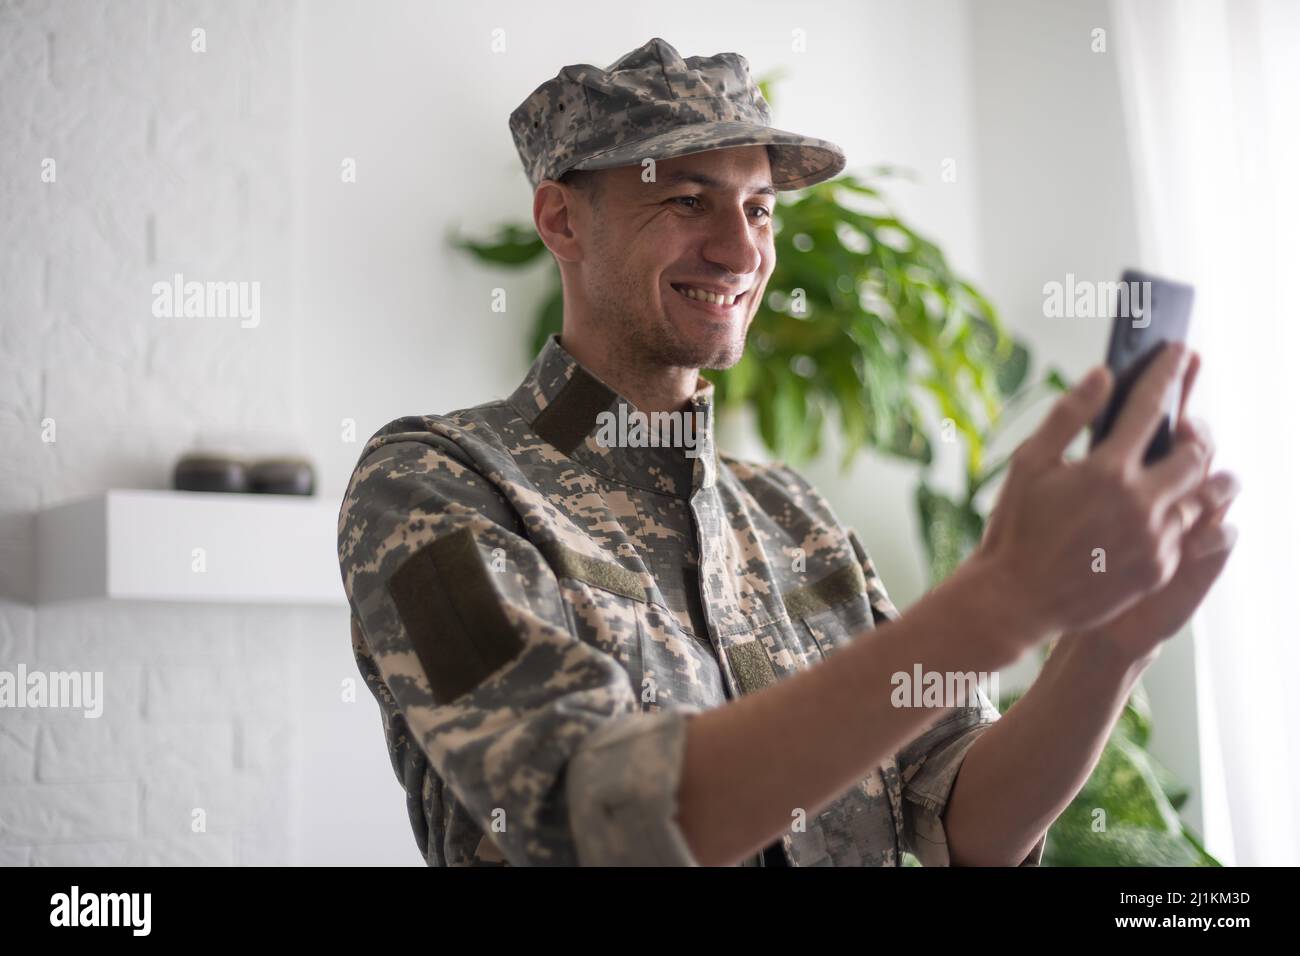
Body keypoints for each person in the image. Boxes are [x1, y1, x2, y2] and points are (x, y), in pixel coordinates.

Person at [336, 37, 1240, 866]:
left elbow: (968, 818)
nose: (740, 250)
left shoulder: (792, 513)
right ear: (562, 221)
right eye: (687, 200)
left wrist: (1112, 648)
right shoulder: (432, 486)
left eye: (760, 209)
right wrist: (999, 600)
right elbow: (591, 816)